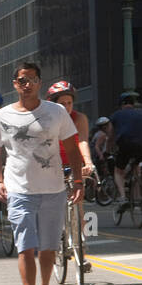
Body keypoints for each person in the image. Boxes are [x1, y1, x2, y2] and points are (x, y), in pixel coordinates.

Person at [0, 61, 85, 285]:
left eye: (31, 79)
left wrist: (78, 183)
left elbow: (73, 150)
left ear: (40, 83)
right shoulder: (1, 117)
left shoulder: (56, 112)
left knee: (48, 248)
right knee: (26, 247)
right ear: (14, 84)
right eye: (21, 80)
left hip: (52, 189)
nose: (26, 84)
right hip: (19, 191)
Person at [47, 80, 94, 271]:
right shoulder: (48, 119)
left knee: (78, 206)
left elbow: (82, 141)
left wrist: (88, 162)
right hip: (51, 164)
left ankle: (80, 255)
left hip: (73, 164)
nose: (66, 107)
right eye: (62, 103)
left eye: (69, 103)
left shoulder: (79, 118)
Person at [112, 92, 142, 218]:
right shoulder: (140, 113)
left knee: (118, 171)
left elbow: (110, 135)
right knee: (136, 167)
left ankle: (123, 198)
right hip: (141, 145)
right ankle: (138, 196)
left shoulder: (116, 115)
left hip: (125, 145)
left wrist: (108, 150)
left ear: (122, 104)